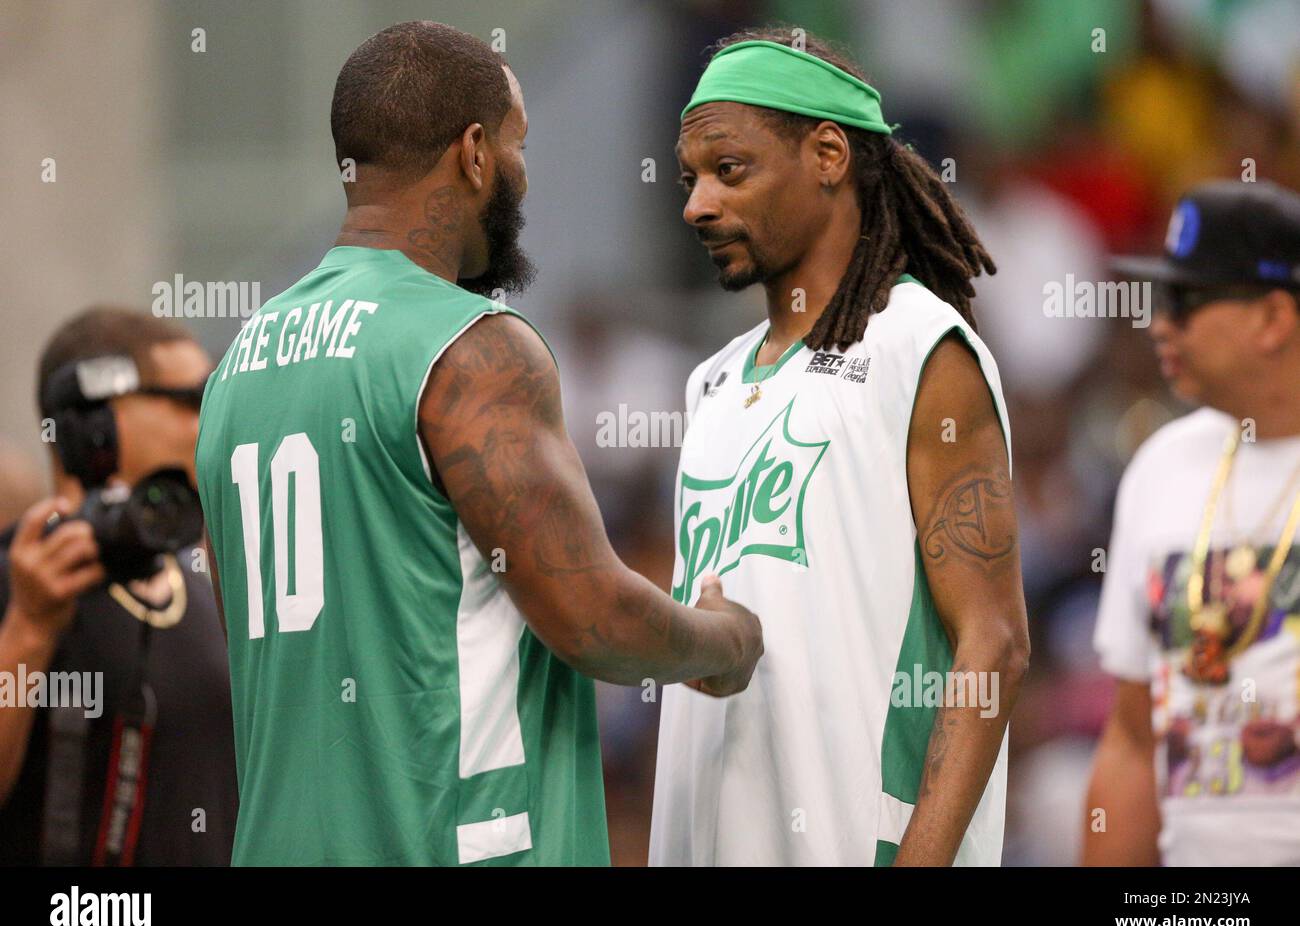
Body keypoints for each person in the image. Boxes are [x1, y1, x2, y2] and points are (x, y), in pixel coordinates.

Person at [194, 20, 762, 867]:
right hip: (456, 845)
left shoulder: (235, 366)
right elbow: (592, 616)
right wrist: (723, 641)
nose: (523, 176)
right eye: (516, 144)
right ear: (472, 153)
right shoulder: (471, 346)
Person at [650, 29, 1030, 866]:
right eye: (689, 180)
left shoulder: (922, 348)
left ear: (827, 153)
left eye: (729, 169)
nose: (697, 205)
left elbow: (993, 638)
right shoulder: (707, 383)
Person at [1085, 179, 1300, 866]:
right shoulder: (1161, 466)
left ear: (1273, 318)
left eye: (1187, 301)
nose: (1159, 323)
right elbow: (1131, 737)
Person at [0, 306, 237, 866]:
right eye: (190, 400)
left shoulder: (205, 585)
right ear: (93, 425)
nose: (213, 419)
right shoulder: (17, 586)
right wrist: (28, 631)